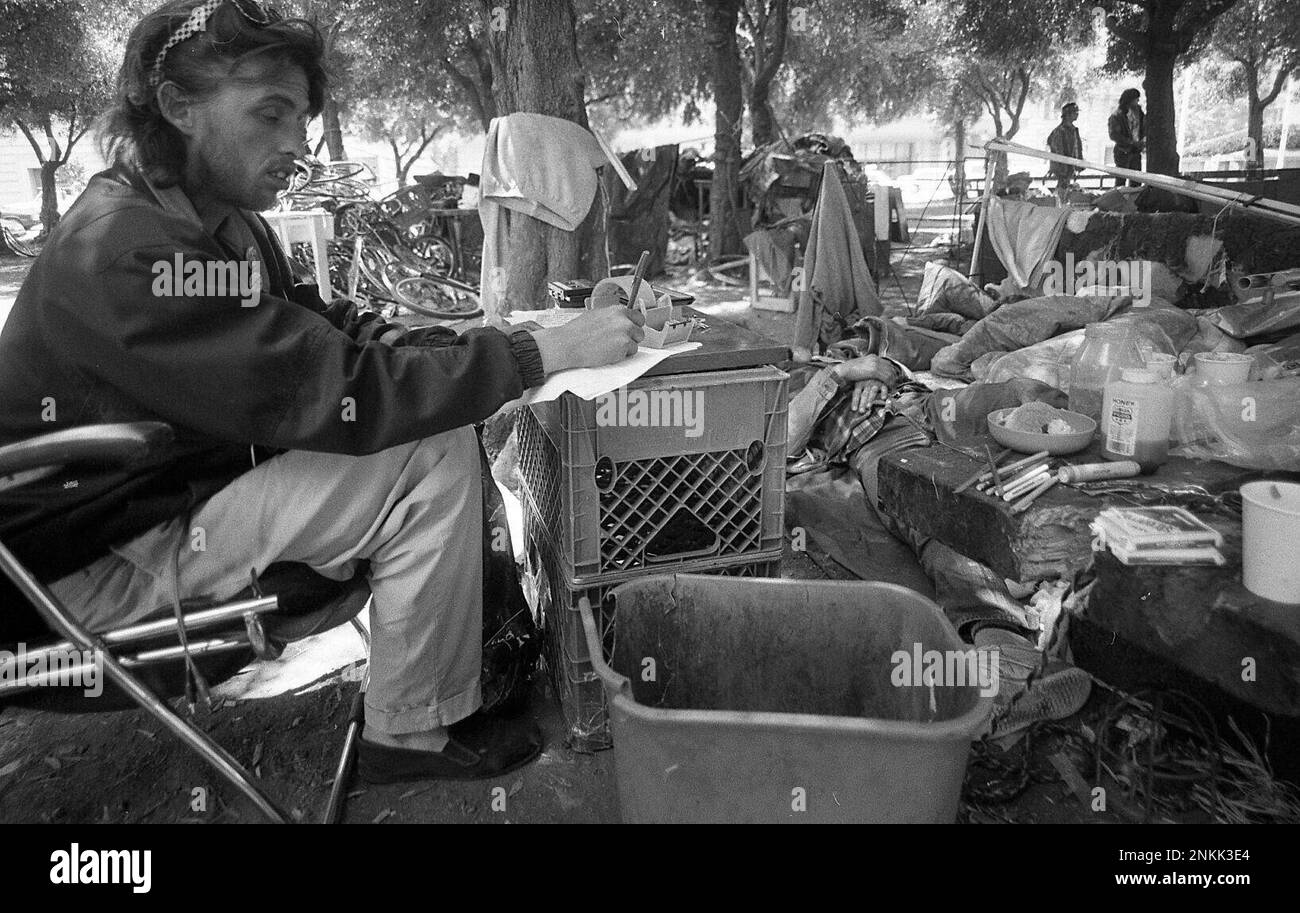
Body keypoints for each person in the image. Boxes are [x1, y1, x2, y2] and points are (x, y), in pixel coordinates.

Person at [0, 0, 647, 783]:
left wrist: (480, 345)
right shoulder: (127, 251)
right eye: (269, 114)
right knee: (427, 453)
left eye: (300, 119)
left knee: (430, 428)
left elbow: (322, 327)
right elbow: (342, 389)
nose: (295, 146)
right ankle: (406, 732)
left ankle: (435, 684)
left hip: (167, 502)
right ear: (177, 106)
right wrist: (539, 353)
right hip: (85, 569)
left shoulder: (216, 221)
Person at [1108, 88, 1146, 186]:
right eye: (1136, 99)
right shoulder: (1117, 115)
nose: (1137, 102)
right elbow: (1114, 135)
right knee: (1121, 180)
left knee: (1136, 181)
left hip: (1136, 151)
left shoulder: (1139, 113)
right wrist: (1131, 142)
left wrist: (1142, 141)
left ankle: (1133, 201)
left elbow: (1143, 127)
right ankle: (1119, 201)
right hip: (1123, 151)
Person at [1046, 102, 1083, 202]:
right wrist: (1063, 169)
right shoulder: (1059, 131)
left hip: (1070, 166)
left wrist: (1078, 164)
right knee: (1062, 188)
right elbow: (1058, 151)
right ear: (1068, 115)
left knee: (1066, 188)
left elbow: (1076, 148)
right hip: (1063, 168)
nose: (1077, 114)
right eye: (1074, 112)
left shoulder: (1073, 130)